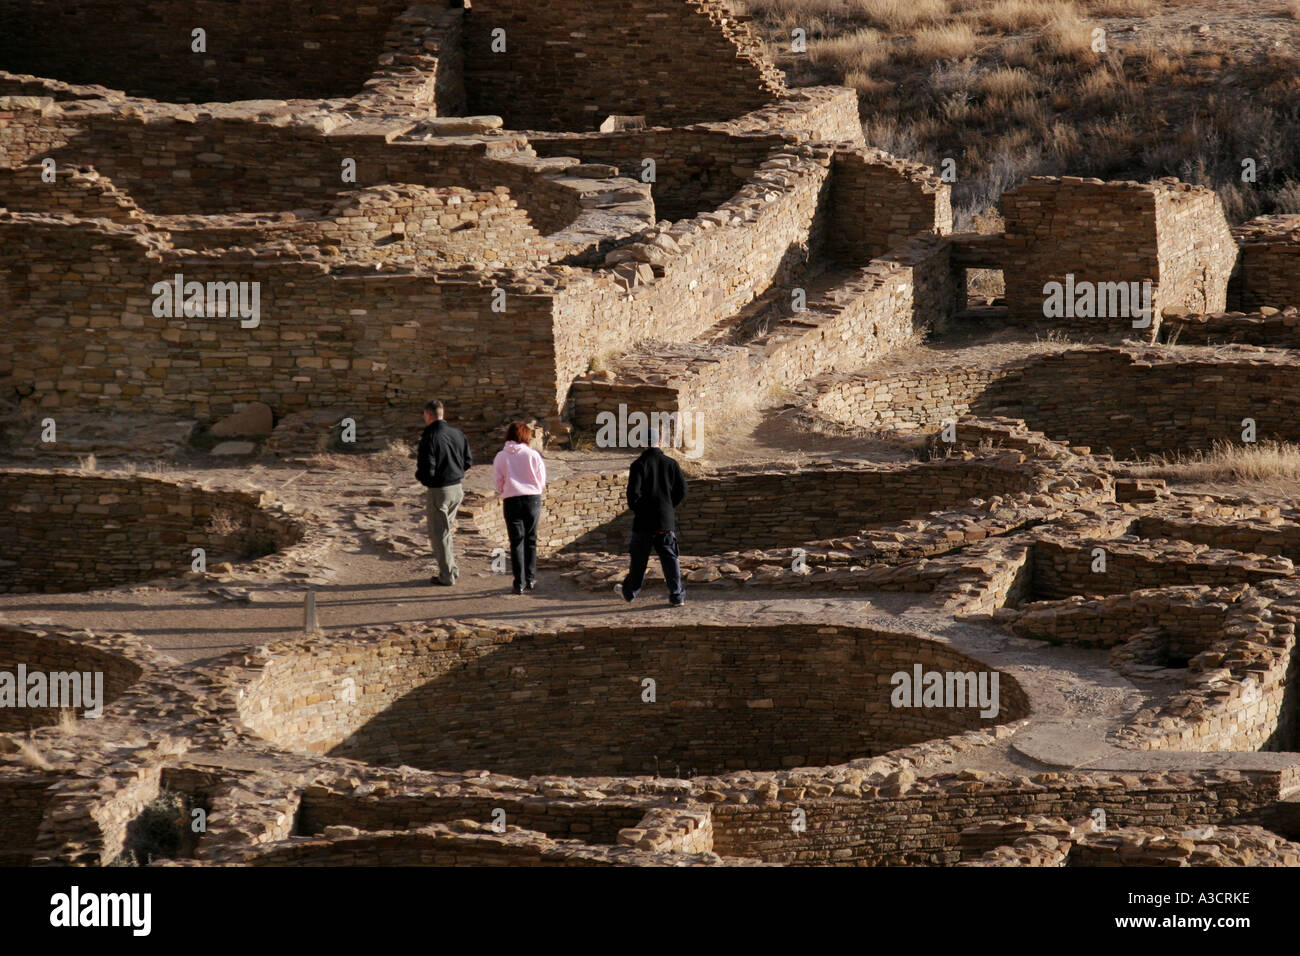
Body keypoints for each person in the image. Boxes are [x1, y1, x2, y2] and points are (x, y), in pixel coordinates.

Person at [614, 426, 686, 606]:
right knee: (670, 559)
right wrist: (669, 506)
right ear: (659, 441)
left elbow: (633, 496)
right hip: (664, 520)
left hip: (644, 523)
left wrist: (641, 511)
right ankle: (677, 595)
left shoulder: (638, 465)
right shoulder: (671, 464)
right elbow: (681, 490)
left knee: (639, 560)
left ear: (642, 443)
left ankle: (630, 592)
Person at [415, 399, 472, 586]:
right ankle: (451, 569)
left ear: (428, 415)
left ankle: (447, 575)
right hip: (457, 488)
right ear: (442, 413)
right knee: (445, 532)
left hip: (440, 490)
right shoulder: (457, 434)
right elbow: (468, 461)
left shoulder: (429, 437)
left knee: (439, 533)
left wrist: (426, 480)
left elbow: (426, 469)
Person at [493, 421, 547, 595]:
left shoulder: (501, 456)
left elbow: (498, 481)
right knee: (531, 539)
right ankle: (530, 578)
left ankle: (519, 583)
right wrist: (535, 489)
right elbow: (541, 480)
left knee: (516, 542)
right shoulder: (533, 455)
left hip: (511, 499)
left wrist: (506, 490)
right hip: (532, 498)